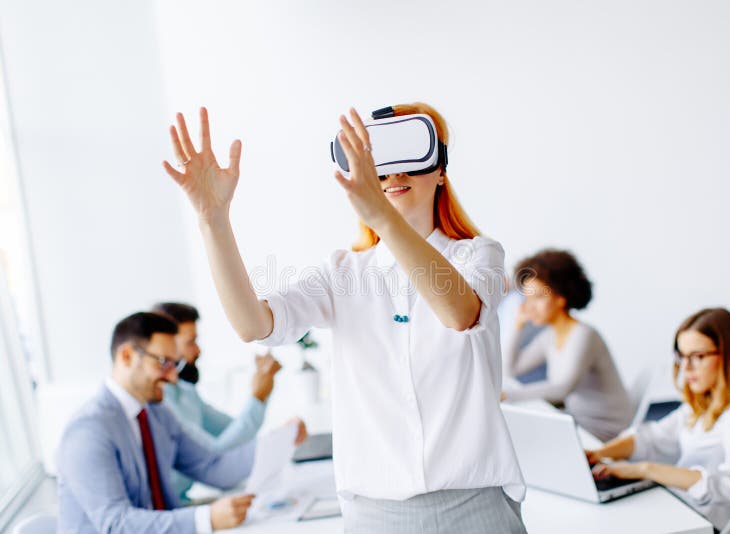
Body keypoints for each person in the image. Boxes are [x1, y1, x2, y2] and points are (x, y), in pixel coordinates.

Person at [162, 103, 526, 533]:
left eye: (410, 158)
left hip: (474, 511)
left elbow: (460, 313)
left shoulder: (478, 255)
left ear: (441, 170)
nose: (394, 175)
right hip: (374, 517)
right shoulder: (341, 274)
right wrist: (213, 220)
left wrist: (383, 218)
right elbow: (253, 325)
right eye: (381, 166)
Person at [58, 312, 256, 533]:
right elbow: (116, 524)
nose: (172, 377)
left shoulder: (157, 414)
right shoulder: (88, 430)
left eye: (175, 364)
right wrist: (205, 520)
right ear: (127, 356)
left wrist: (273, 446)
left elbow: (212, 467)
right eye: (163, 363)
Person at [586, 308, 730, 531]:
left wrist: (645, 469)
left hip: (701, 521)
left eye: (698, 356)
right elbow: (651, 438)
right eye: (682, 356)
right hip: (679, 503)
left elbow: (729, 487)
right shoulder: (701, 405)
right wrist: (601, 453)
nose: (686, 367)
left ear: (729, 356)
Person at [152, 302, 303, 504]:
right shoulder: (159, 404)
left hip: (184, 502)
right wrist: (257, 397)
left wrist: (264, 396)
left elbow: (234, 433)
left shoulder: (186, 393)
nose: (197, 351)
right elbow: (215, 454)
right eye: (190, 342)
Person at [503, 249, 633, 441]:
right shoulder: (549, 336)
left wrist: (507, 395)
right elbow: (511, 370)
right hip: (579, 422)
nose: (529, 307)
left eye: (538, 297)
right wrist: (517, 326)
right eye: (527, 298)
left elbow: (561, 388)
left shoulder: (584, 334)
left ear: (560, 298)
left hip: (604, 430)